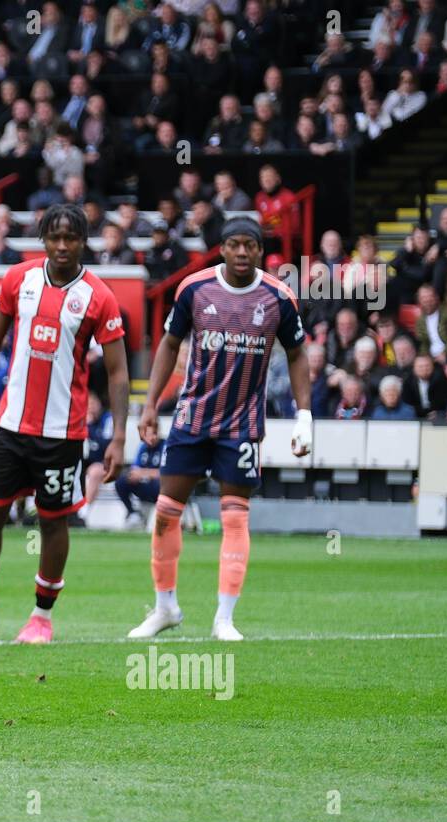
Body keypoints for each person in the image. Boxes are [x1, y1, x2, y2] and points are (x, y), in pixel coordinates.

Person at [0, 204, 130, 645]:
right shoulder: (18, 280)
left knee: (53, 522)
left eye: (72, 238)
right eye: (54, 237)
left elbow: (117, 372)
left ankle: (41, 617)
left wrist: (118, 436)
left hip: (63, 433)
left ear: (84, 242)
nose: (62, 246)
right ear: (42, 239)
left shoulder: (99, 297)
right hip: (11, 426)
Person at [128, 217, 311, 642]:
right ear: (222, 249)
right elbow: (169, 344)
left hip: (242, 427)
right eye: (235, 245)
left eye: (251, 245)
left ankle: (224, 619)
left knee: (234, 518)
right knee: (165, 513)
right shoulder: (194, 289)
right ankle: (165, 608)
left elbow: (299, 355)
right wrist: (150, 406)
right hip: (192, 420)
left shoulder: (279, 298)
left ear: (260, 251)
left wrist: (305, 417)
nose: (243, 252)